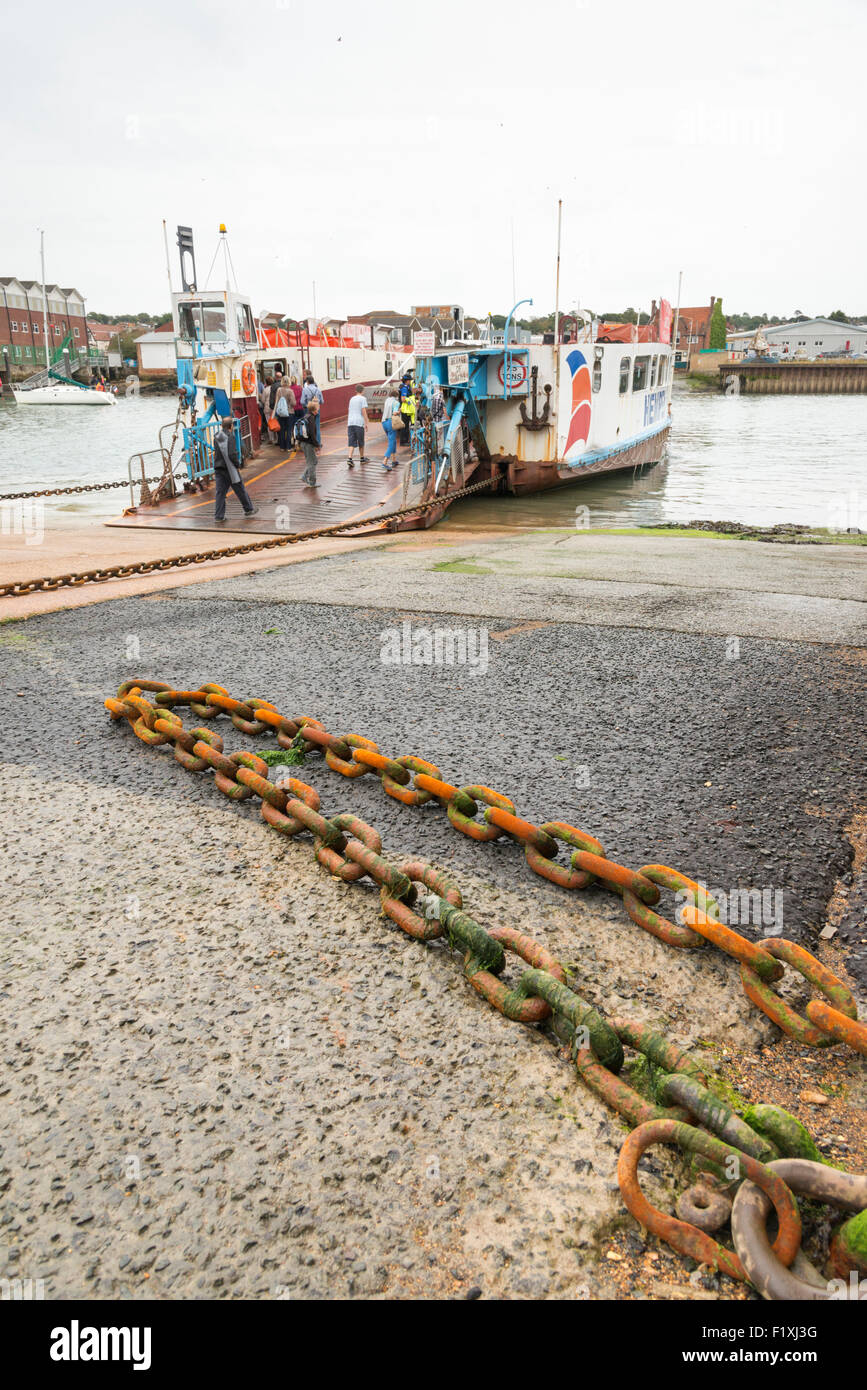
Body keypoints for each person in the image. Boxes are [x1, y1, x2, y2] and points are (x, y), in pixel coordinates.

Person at [213, 417, 258, 522]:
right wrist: (237, 464)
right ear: (231, 426)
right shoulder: (230, 436)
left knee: (220, 493)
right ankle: (248, 509)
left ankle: (219, 516)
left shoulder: (216, 436)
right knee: (240, 489)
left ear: (221, 425)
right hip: (229, 468)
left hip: (219, 468)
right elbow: (232, 454)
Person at [296, 398, 321, 486]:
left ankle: (304, 476)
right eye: (317, 409)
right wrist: (317, 445)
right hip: (309, 444)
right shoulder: (311, 419)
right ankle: (312, 482)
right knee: (312, 462)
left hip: (303, 443)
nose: (318, 411)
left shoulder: (305, 416)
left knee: (312, 461)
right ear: (314, 410)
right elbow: (312, 434)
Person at [346, 384, 370, 467]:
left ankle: (350, 458)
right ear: (362, 391)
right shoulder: (363, 399)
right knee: (361, 441)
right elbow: (363, 410)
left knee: (351, 441)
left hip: (350, 422)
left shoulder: (352, 399)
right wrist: (366, 422)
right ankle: (362, 458)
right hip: (359, 422)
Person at [301, 374, 324, 445]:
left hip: (308, 411)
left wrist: (307, 405)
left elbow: (302, 401)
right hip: (317, 410)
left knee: (309, 427)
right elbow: (322, 401)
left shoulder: (305, 389)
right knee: (317, 427)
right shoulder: (318, 390)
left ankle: (311, 443)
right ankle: (318, 443)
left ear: (307, 382)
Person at [381, 387, 399, 471]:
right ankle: (385, 462)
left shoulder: (387, 400)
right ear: (396, 396)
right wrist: (399, 411)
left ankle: (394, 460)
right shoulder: (396, 402)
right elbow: (395, 413)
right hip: (391, 422)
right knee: (391, 443)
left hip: (384, 422)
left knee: (393, 440)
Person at [274, 379, 295, 450]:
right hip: (289, 412)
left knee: (282, 430)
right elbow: (293, 403)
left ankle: (282, 447)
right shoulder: (290, 391)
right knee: (289, 430)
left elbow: (276, 401)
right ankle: (288, 447)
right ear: (289, 382)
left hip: (281, 413)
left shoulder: (279, 390)